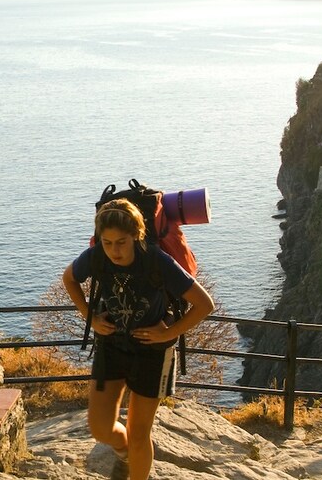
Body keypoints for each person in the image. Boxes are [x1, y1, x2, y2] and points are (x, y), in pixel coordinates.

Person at [62, 198, 215, 480]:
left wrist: (168, 333)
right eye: (107, 243)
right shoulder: (96, 256)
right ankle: (123, 454)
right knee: (99, 427)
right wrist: (90, 316)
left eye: (121, 242)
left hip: (152, 352)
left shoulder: (157, 261)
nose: (114, 250)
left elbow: (205, 304)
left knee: (139, 433)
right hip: (112, 346)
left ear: (136, 235)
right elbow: (69, 278)